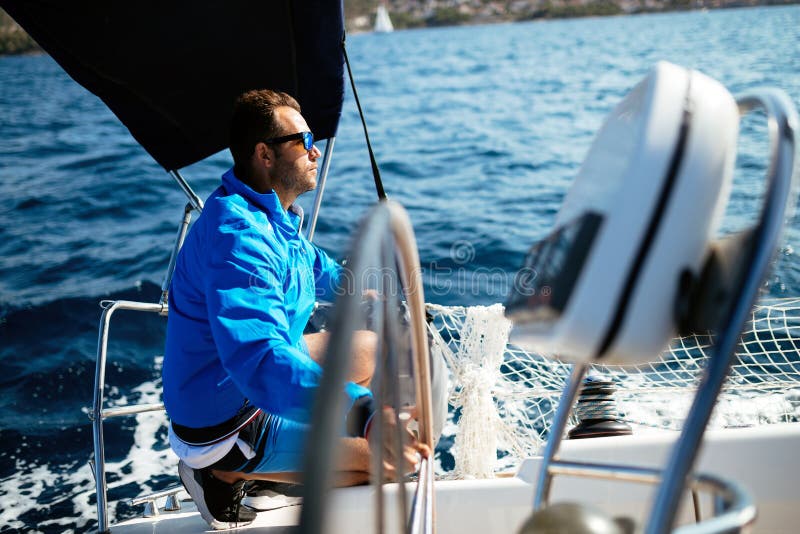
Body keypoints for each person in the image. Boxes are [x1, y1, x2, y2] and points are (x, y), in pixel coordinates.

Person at [162, 89, 428, 530]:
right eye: (303, 141)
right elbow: (260, 360)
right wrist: (362, 415)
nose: (315, 150)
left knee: (374, 348)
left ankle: (288, 458)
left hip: (243, 383)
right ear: (264, 154)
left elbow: (313, 265)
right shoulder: (238, 237)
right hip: (229, 421)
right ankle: (223, 475)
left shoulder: (271, 217)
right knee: (395, 464)